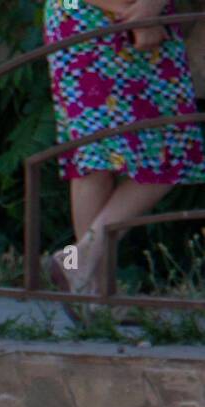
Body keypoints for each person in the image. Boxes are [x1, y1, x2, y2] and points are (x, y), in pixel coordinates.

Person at [44, 0, 205, 295]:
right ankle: (95, 293)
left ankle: (82, 263)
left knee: (172, 150)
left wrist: (149, 8)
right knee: (95, 157)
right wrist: (137, 13)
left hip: (142, 21)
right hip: (87, 17)